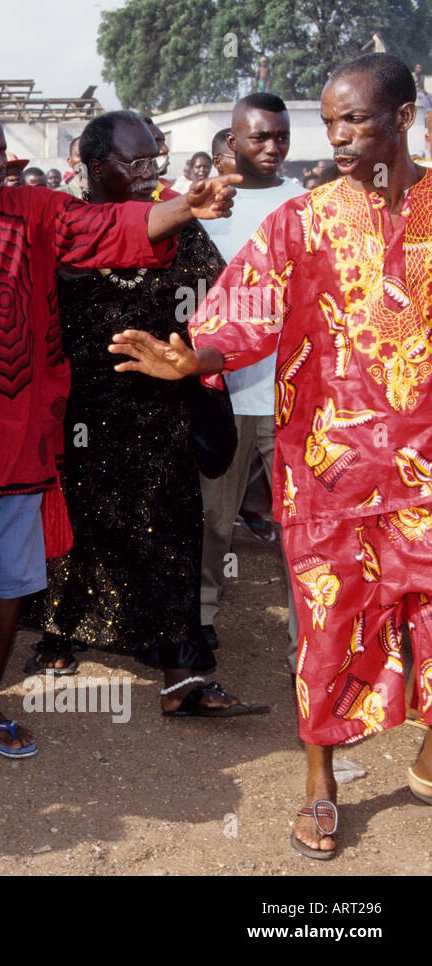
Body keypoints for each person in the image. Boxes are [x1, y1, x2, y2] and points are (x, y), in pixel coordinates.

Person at [109, 53, 432, 860]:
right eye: (329, 123)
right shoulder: (304, 220)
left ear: (403, 115)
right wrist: (198, 359)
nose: (339, 136)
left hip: (425, 474)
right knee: (324, 632)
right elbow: (243, 313)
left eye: (355, 118)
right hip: (327, 473)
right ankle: (320, 784)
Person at [0, 98, 240, 749]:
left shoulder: (37, 212)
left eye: (0, 150)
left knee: (10, 583)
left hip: (22, 437)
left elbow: (109, 226)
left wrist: (187, 206)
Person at [27, 111, 266, 716]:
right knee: (75, 530)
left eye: (152, 161)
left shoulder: (183, 232)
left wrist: (195, 360)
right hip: (77, 412)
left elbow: (219, 305)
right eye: (132, 163)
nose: (146, 173)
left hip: (160, 411)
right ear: (92, 163)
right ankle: (61, 633)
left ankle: (182, 674)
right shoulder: (60, 228)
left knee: (170, 533)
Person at [198, 93, 303, 660]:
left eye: (281, 136)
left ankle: (304, 640)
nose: (272, 147)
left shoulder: (308, 205)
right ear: (232, 142)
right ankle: (202, 616)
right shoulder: (208, 207)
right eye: (259, 137)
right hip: (225, 393)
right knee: (215, 518)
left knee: (299, 526)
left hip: (294, 395)